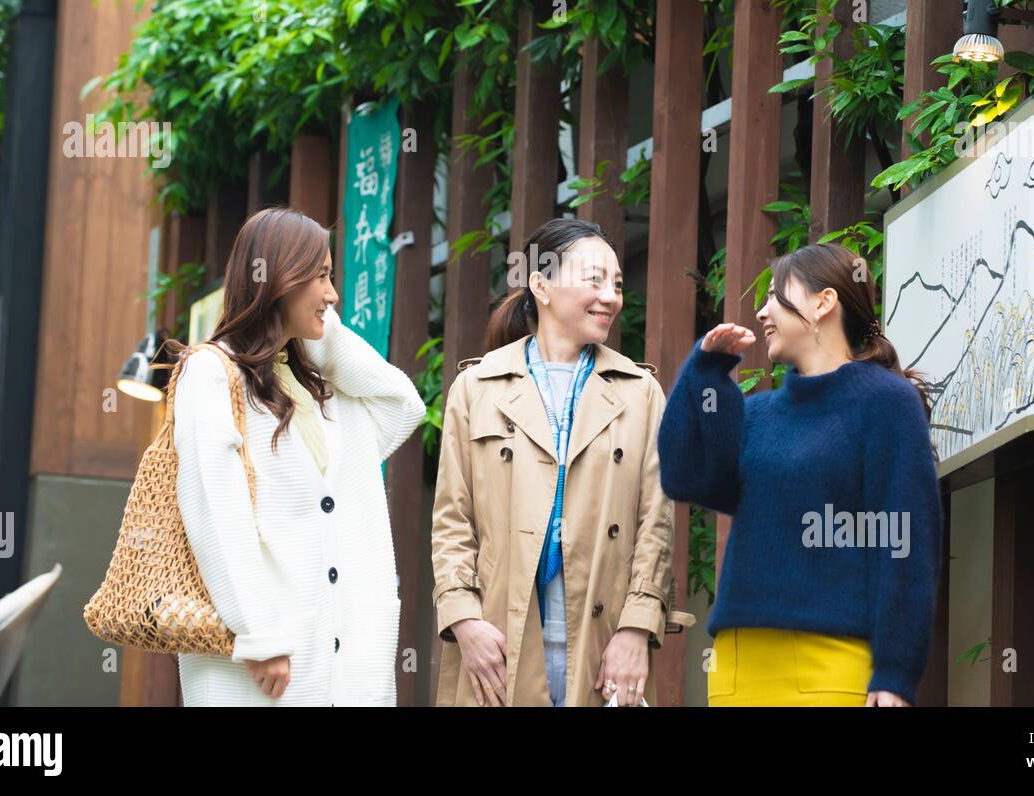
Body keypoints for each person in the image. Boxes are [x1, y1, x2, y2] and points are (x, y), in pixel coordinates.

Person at [659, 242, 942, 706]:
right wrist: (705, 374)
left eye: (775, 294)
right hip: (736, 665)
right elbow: (685, 478)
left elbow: (908, 544)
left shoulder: (886, 403)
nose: (763, 311)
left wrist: (895, 673)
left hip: (829, 664)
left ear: (823, 302)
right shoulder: (759, 413)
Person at [170, 206, 425, 705]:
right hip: (262, 667)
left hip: (343, 671)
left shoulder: (323, 394)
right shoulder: (211, 374)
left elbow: (402, 405)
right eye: (321, 276)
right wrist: (258, 634)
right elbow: (213, 511)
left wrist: (317, 337)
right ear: (278, 278)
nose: (333, 295)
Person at [431, 217, 692, 706]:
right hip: (498, 640)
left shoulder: (641, 393)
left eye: (615, 284)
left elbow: (656, 523)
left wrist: (637, 628)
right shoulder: (476, 388)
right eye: (594, 279)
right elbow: (452, 520)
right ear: (541, 284)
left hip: (605, 645)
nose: (611, 296)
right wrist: (464, 620)